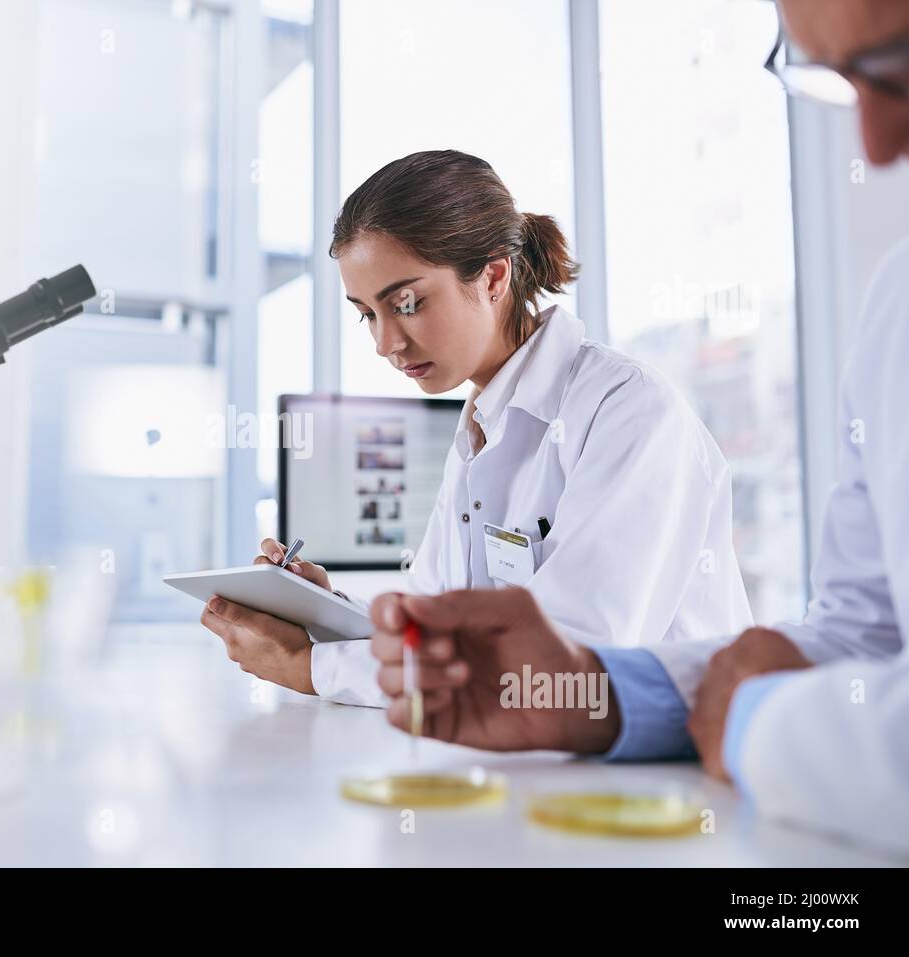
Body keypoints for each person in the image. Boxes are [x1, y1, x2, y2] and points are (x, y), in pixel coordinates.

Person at [367, 0, 909, 857]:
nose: (874, 145)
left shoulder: (630, 411)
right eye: (841, 82)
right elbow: (864, 639)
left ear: (493, 277)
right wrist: (604, 696)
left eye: (895, 67)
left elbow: (598, 632)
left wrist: (759, 722)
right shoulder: (896, 303)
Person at [201, 150, 752, 706]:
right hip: (547, 765)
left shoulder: (628, 412)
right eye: (368, 313)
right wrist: (324, 618)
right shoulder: (479, 431)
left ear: (493, 275)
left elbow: (569, 666)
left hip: (667, 773)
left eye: (407, 303)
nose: (385, 343)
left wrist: (313, 668)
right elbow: (439, 633)